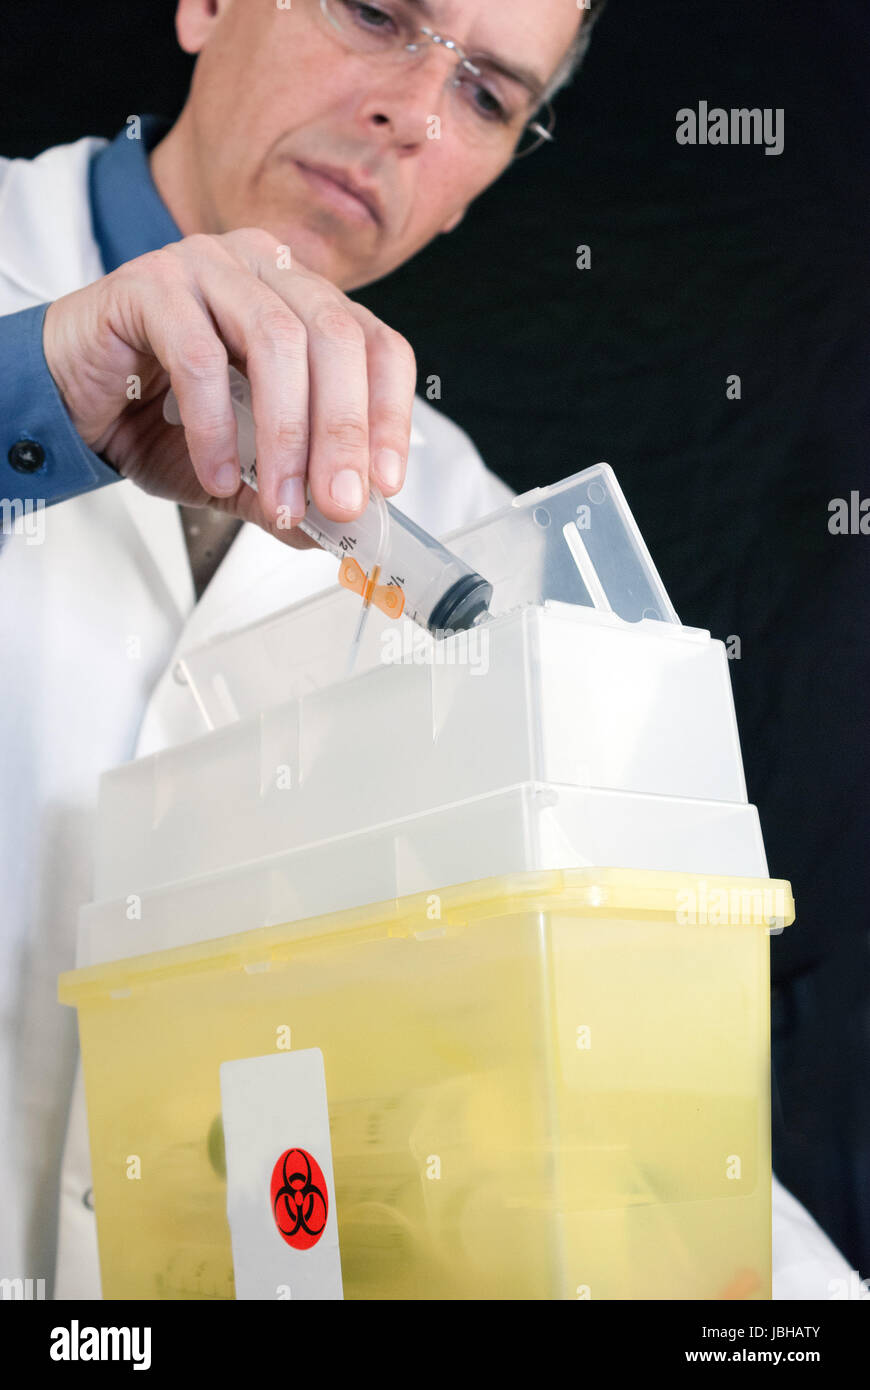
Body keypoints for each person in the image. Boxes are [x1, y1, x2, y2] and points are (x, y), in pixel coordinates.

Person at [0, 0, 851, 1301]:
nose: (411, 111)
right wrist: (38, 393)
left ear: (485, 182)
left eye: (489, 96)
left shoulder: (463, 540)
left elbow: (615, 1090)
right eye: (377, 11)